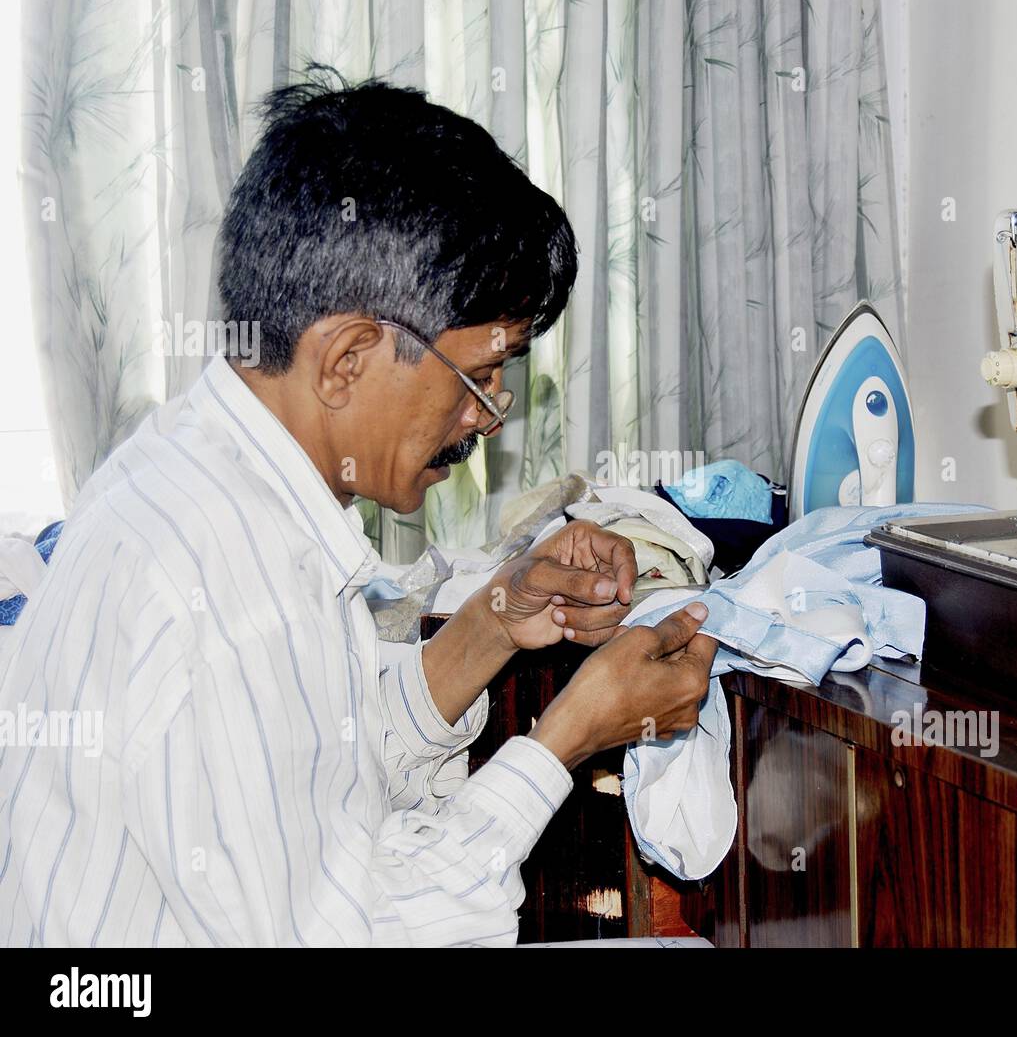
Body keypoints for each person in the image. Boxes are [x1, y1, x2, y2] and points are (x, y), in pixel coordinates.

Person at [0, 76, 717, 947]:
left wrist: (493, 621)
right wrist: (568, 736)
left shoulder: (211, 472)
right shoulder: (228, 571)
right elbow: (341, 933)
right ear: (345, 360)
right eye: (476, 379)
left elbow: (319, 775)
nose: (488, 418)